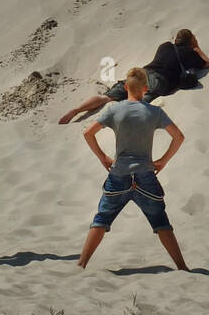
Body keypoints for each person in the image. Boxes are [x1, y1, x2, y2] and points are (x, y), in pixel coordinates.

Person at [77, 67, 188, 270]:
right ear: (145, 88)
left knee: (102, 219)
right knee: (161, 221)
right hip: (145, 174)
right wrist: (163, 160)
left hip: (119, 173)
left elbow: (88, 134)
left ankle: (82, 264)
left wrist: (103, 157)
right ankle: (182, 267)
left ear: (126, 87)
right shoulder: (155, 112)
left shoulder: (114, 109)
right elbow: (178, 137)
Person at [58, 29, 209, 124]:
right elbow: (207, 64)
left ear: (175, 40)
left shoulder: (165, 45)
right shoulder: (189, 52)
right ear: (190, 41)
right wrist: (196, 47)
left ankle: (77, 110)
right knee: (140, 102)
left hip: (142, 72)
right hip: (158, 80)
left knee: (108, 96)